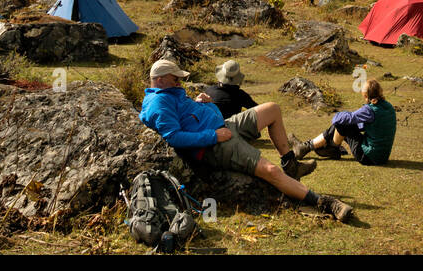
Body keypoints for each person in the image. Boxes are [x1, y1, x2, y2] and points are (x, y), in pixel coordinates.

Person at [140, 59, 353, 221]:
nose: (179, 81)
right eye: (174, 78)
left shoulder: (170, 93)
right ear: (159, 80)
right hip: (217, 144)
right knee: (270, 171)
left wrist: (202, 104)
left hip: (225, 125)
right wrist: (214, 136)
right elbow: (174, 137)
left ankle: (291, 163)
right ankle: (324, 203)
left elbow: (191, 118)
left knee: (273, 109)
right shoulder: (159, 103)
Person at [293, 79, 396, 166]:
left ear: (366, 96)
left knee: (342, 124)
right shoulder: (389, 107)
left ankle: (313, 147)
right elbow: (373, 126)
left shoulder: (370, 110)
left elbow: (340, 120)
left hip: (368, 157)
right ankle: (313, 147)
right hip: (382, 157)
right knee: (346, 124)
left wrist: (337, 116)